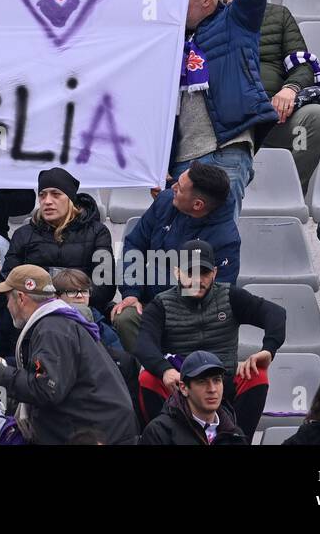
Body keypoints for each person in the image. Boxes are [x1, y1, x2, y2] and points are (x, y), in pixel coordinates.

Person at [171, 0, 273, 219]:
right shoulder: (172, 40)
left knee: (219, 242)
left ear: (205, 0)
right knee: (181, 248)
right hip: (182, 160)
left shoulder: (236, 21)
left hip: (226, 149)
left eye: (182, 0)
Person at [0, 264, 138, 445]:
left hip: (100, 436)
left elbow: (47, 389)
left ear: (21, 298)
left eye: (8, 298)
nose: (7, 305)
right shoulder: (57, 323)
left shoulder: (52, 330)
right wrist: (0, 364)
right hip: (98, 429)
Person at [206, 0, 320, 187]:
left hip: (273, 118)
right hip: (223, 121)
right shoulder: (204, 21)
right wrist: (228, 16)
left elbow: (303, 65)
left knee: (316, 118)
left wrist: (290, 89)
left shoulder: (279, 15)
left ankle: (288, 190)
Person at [134, 239, 284, 436]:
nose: (197, 280)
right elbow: (144, 344)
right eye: (190, 272)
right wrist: (165, 370)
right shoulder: (161, 304)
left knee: (258, 374)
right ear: (177, 272)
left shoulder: (230, 296)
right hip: (182, 385)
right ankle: (164, 439)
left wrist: (268, 350)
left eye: (203, 273)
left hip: (223, 381)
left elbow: (275, 313)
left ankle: (237, 441)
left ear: (214, 272)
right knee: (148, 378)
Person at [113, 162, 239, 351]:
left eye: (179, 188)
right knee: (125, 316)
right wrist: (131, 292)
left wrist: (178, 315)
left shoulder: (226, 239)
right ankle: (141, 376)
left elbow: (218, 295)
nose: (172, 187)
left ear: (197, 205)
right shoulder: (165, 201)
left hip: (192, 315)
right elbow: (135, 245)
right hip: (152, 301)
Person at [3, 167, 114, 313]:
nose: (47, 201)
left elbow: (105, 286)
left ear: (70, 199)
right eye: (42, 195)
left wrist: (69, 298)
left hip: (82, 309)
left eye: (56, 194)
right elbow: (9, 280)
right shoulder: (23, 235)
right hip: (35, 310)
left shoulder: (97, 232)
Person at [138, 350, 249, 444]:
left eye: (217, 380)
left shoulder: (235, 434)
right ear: (184, 388)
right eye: (202, 382)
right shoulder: (160, 432)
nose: (212, 389)